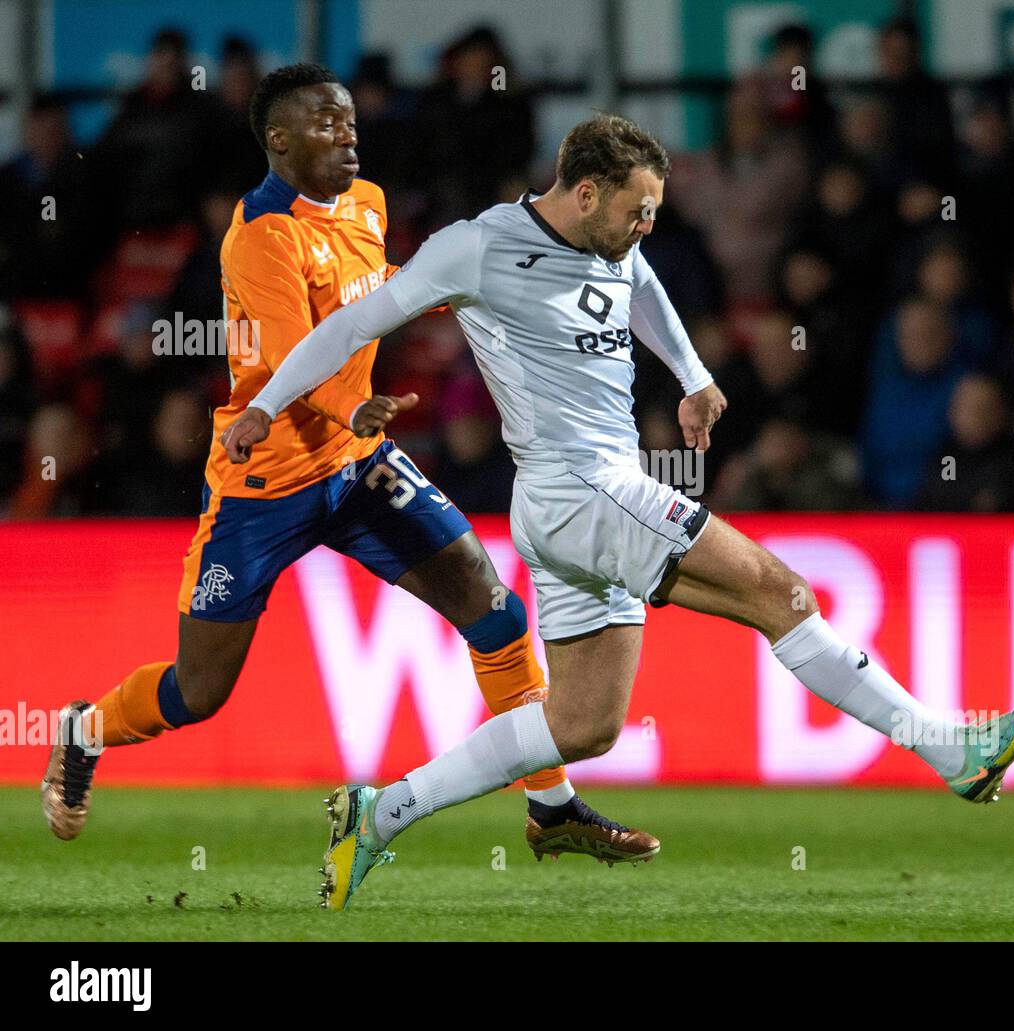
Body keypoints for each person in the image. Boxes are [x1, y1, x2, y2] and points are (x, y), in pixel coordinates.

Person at [222, 114, 1014, 910]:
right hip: (584, 489)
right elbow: (356, 322)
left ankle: (381, 813)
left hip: (572, 504)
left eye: (654, 212)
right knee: (780, 592)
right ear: (584, 191)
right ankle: (952, 750)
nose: (645, 227)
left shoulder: (613, 243)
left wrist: (691, 375)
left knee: (584, 724)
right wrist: (269, 403)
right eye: (636, 210)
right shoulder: (478, 247)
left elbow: (642, 286)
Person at [40, 66, 655, 872]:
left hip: (356, 465)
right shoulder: (259, 235)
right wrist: (347, 406)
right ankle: (85, 729)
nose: (348, 135)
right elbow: (294, 358)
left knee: (493, 608)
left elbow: (384, 297)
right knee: (198, 691)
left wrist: (472, 286)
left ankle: (551, 806)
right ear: (280, 141)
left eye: (352, 122)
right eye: (326, 125)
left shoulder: (367, 206)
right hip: (263, 482)